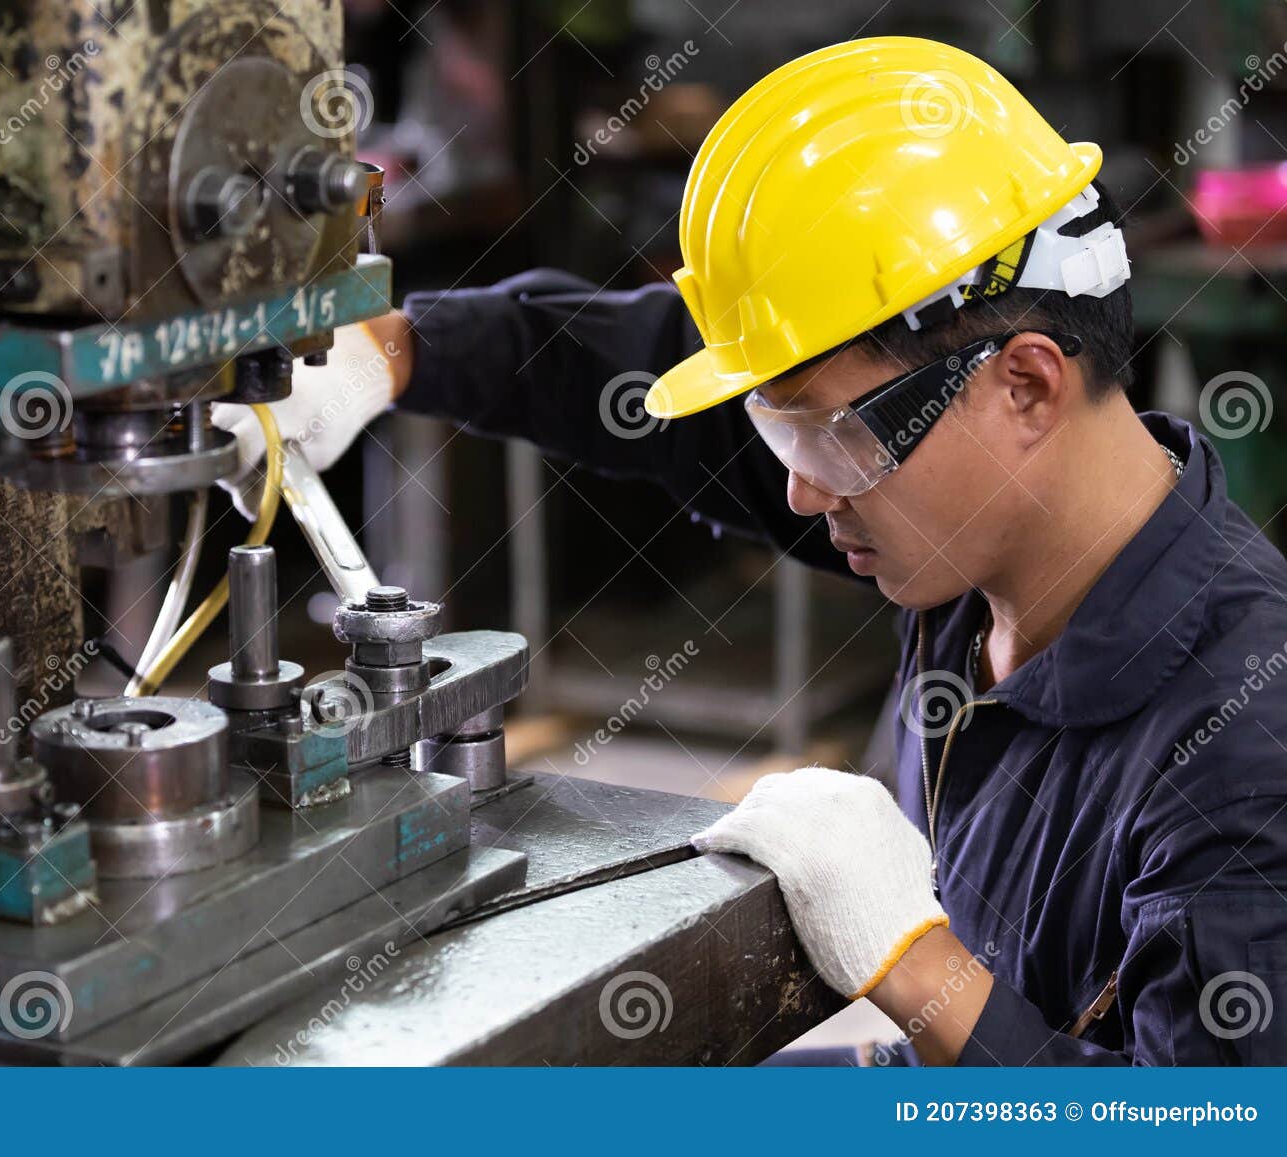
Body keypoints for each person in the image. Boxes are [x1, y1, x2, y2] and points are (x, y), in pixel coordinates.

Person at [215, 36, 1287, 1065]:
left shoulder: (1244, 749)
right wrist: (388, 354)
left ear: (1025, 384)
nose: (798, 488)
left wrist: (922, 968)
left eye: (832, 436)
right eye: (780, 430)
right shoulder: (977, 524)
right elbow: (628, 368)